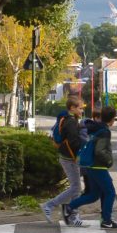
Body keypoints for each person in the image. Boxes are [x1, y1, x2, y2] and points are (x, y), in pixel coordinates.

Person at [67, 105, 117, 229]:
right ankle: (106, 220)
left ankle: (69, 207)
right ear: (112, 119)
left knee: (94, 195)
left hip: (90, 165)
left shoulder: (95, 128)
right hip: (99, 166)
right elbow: (100, 151)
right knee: (110, 192)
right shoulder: (104, 131)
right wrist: (108, 161)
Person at [42, 96, 84, 225]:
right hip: (69, 158)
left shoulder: (70, 119)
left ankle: (72, 216)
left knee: (76, 187)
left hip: (68, 157)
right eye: (80, 108)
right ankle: (49, 205)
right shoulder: (70, 121)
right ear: (72, 108)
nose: (82, 110)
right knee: (76, 187)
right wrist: (84, 149)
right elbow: (74, 141)